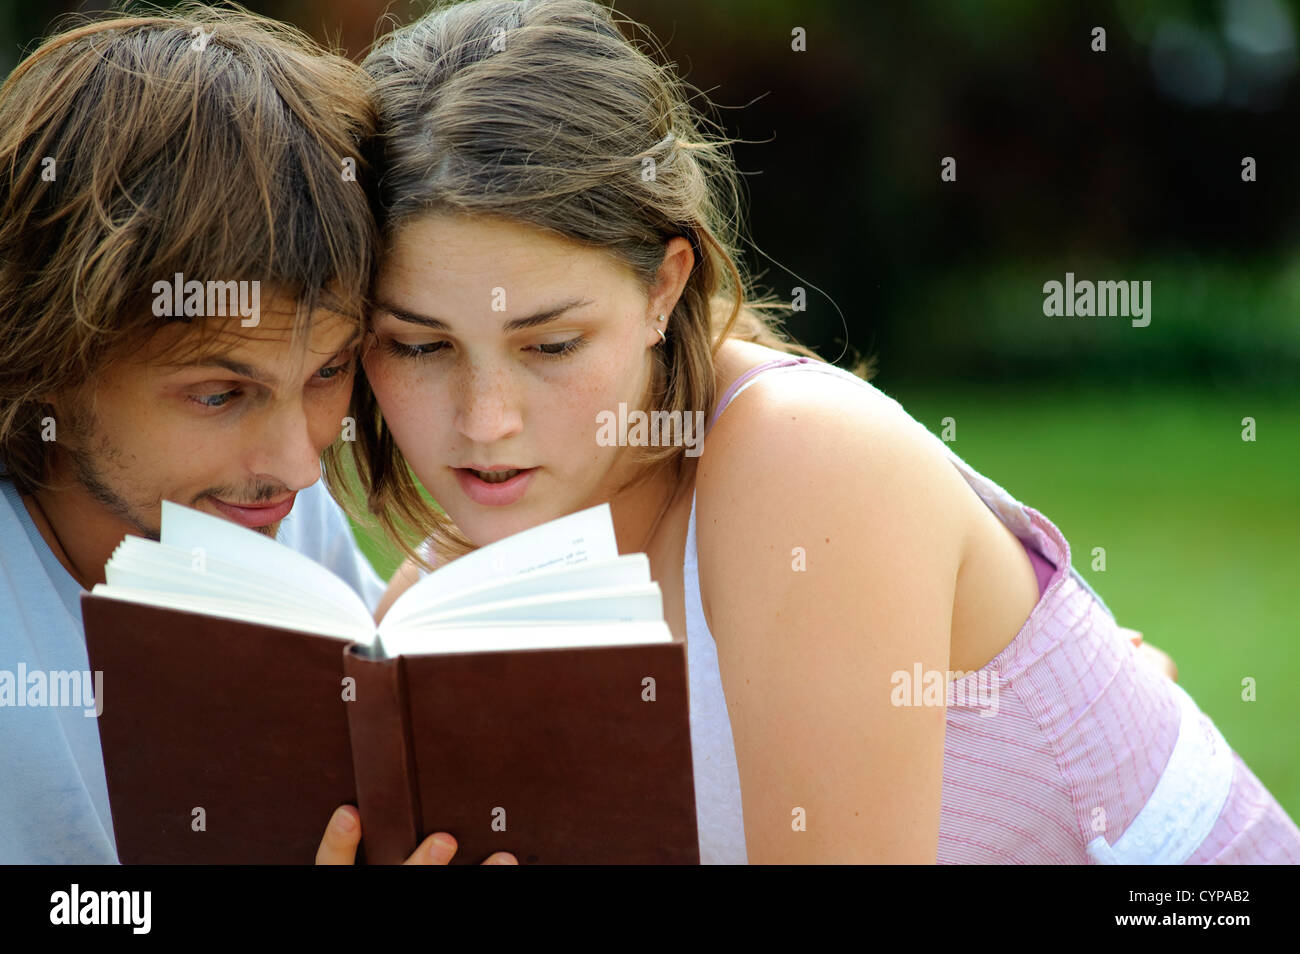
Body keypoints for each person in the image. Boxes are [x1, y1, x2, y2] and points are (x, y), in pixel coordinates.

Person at [346, 0, 1300, 863]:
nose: (485, 422)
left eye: (551, 343)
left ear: (664, 286)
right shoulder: (445, 599)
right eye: (420, 347)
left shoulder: (801, 457)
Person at [0, 4, 511, 866]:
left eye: (327, 373)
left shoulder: (270, 527)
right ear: (50, 356)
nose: (297, 467)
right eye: (219, 394)